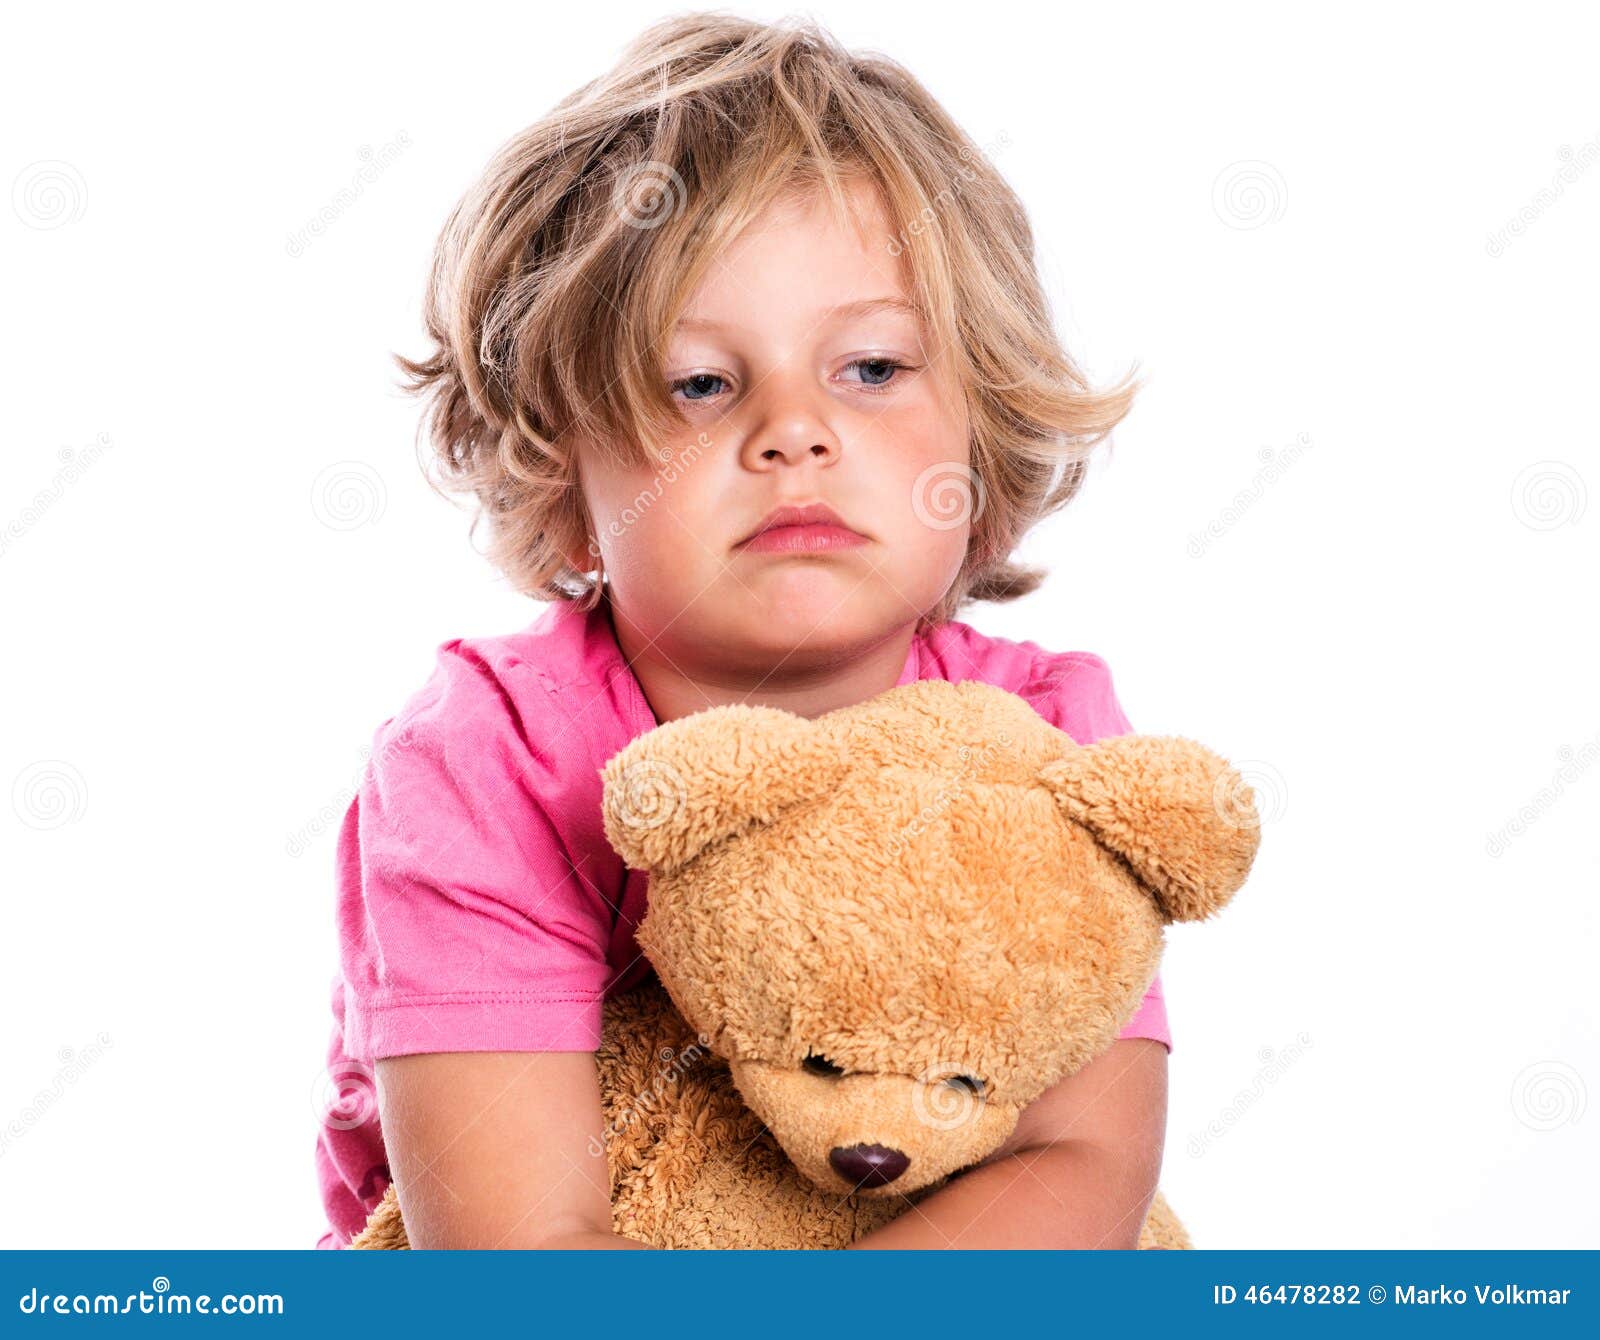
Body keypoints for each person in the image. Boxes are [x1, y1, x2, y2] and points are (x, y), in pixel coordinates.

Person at [316, 11, 1168, 1249]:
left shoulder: (1045, 736)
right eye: (701, 384)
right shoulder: (484, 759)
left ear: (981, 439)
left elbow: (1085, 1159)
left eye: (871, 368)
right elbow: (520, 1250)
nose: (794, 432)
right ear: (567, 485)